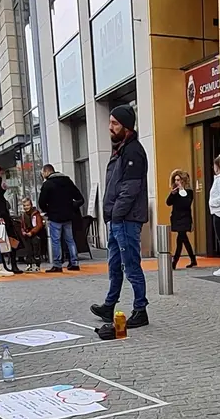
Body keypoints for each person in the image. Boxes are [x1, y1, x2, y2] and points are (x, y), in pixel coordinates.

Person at [90, 104, 150, 329]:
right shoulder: (121, 149)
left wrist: (116, 214)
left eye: (115, 123)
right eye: (110, 122)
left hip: (126, 219)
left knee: (131, 264)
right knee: (114, 264)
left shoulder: (133, 150)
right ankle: (109, 304)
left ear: (126, 126)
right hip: (118, 219)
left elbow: (130, 188)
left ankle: (140, 309)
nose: (110, 127)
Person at [38, 164, 84, 273]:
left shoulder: (47, 184)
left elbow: (42, 202)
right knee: (70, 239)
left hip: (55, 216)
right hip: (68, 215)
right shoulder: (67, 181)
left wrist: (47, 211)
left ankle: (57, 264)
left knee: (56, 241)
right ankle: (74, 263)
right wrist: (71, 207)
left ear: (46, 172)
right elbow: (80, 198)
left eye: (42, 173)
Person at [166, 169, 197, 269]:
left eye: (178, 180)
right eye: (175, 180)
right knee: (182, 239)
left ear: (183, 181)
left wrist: (181, 191)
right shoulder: (174, 192)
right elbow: (168, 203)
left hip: (185, 218)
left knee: (181, 238)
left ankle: (175, 262)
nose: (177, 182)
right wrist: (172, 194)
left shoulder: (189, 192)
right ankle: (192, 259)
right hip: (176, 218)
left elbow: (186, 204)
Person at [19, 198, 45, 271]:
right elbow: (22, 226)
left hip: (35, 234)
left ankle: (37, 265)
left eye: (27, 205)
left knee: (36, 250)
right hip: (27, 234)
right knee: (28, 250)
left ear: (31, 205)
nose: (26, 207)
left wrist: (32, 232)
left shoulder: (36, 214)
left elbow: (39, 225)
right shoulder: (23, 215)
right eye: (24, 206)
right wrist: (23, 231)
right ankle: (29, 264)